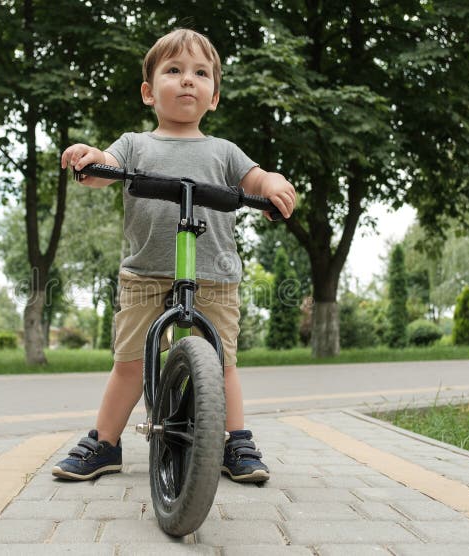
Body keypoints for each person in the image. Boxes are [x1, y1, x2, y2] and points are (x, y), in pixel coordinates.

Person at [53, 28, 296, 483]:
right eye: (174, 71)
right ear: (149, 92)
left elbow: (255, 179)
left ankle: (235, 441)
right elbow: (104, 167)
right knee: (129, 363)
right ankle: (104, 443)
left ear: (214, 96)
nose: (188, 80)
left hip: (214, 276)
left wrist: (272, 184)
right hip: (144, 274)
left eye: (200, 73)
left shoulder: (223, 152)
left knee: (221, 364)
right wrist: (89, 159)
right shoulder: (134, 145)